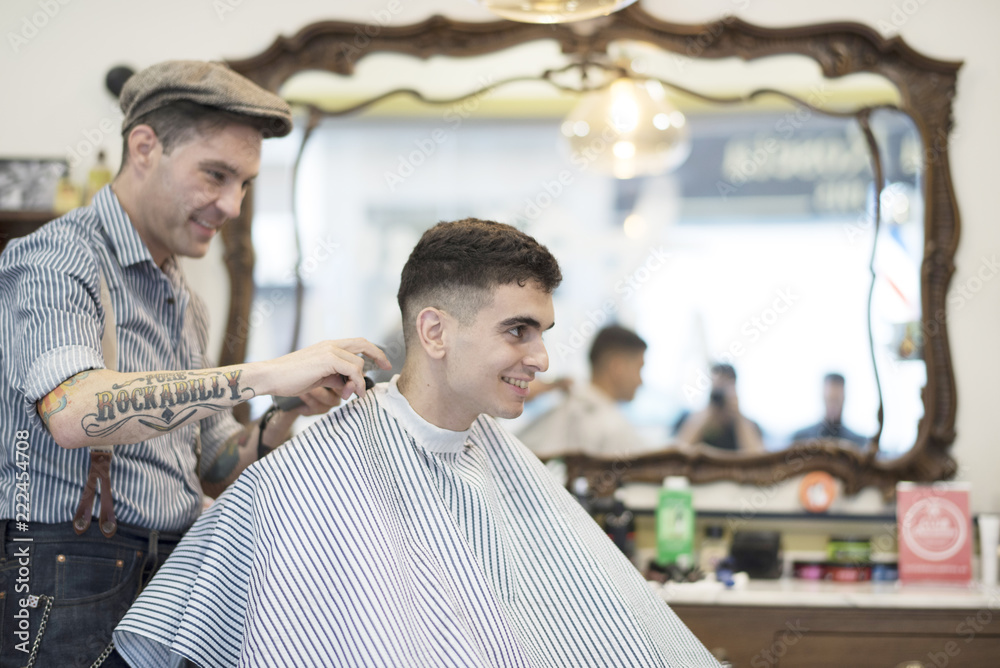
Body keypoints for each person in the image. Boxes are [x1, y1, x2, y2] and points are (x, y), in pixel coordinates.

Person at [113, 219, 719, 668]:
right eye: (518, 331)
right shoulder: (318, 474)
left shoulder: (495, 455)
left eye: (542, 333)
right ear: (434, 332)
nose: (541, 358)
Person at [0, 60, 388, 668]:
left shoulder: (185, 299)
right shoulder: (56, 260)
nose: (231, 204)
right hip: (69, 575)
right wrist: (263, 373)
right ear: (145, 147)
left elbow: (211, 459)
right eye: (216, 174)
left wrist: (284, 411)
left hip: (173, 568)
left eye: (246, 184)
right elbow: (72, 412)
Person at [518, 324, 656, 459]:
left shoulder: (571, 405)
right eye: (639, 368)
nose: (640, 381)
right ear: (617, 367)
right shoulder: (610, 426)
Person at [673, 363, 764, 452]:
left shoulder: (749, 426)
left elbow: (758, 458)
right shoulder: (689, 419)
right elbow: (678, 454)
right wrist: (706, 414)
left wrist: (738, 417)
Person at [791, 372, 868, 446]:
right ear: (823, 397)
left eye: (837, 400)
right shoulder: (800, 439)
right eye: (830, 399)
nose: (833, 406)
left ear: (844, 398)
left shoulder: (859, 443)